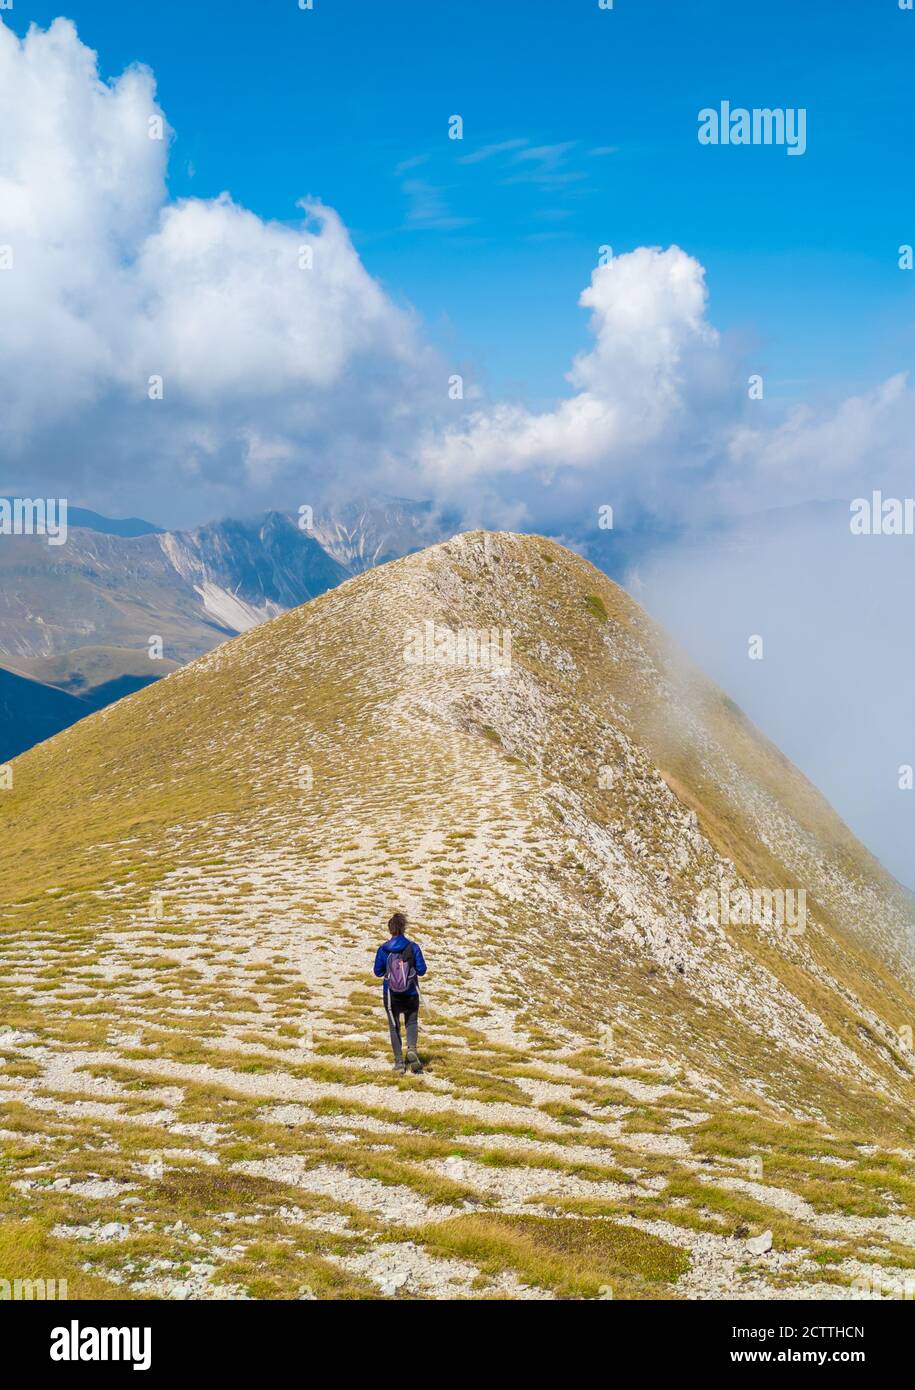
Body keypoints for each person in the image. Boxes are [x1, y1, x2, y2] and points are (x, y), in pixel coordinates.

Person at [373, 911, 427, 1073]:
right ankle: (411, 1049)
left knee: (394, 1026)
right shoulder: (413, 947)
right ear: (404, 928)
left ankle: (399, 1064)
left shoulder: (383, 950)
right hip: (411, 993)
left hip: (391, 995)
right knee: (411, 1022)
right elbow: (422, 970)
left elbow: (378, 972)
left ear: (390, 930)